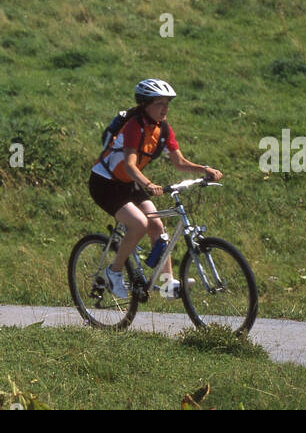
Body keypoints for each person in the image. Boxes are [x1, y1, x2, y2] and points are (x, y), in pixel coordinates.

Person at [88, 79, 223, 299]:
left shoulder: (163, 129)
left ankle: (167, 285)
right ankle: (113, 273)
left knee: (157, 225)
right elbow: (130, 165)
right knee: (139, 223)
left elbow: (179, 162)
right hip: (106, 184)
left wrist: (204, 169)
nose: (165, 109)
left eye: (167, 104)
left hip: (129, 182)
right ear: (145, 105)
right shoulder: (134, 126)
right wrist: (149, 184)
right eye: (159, 104)